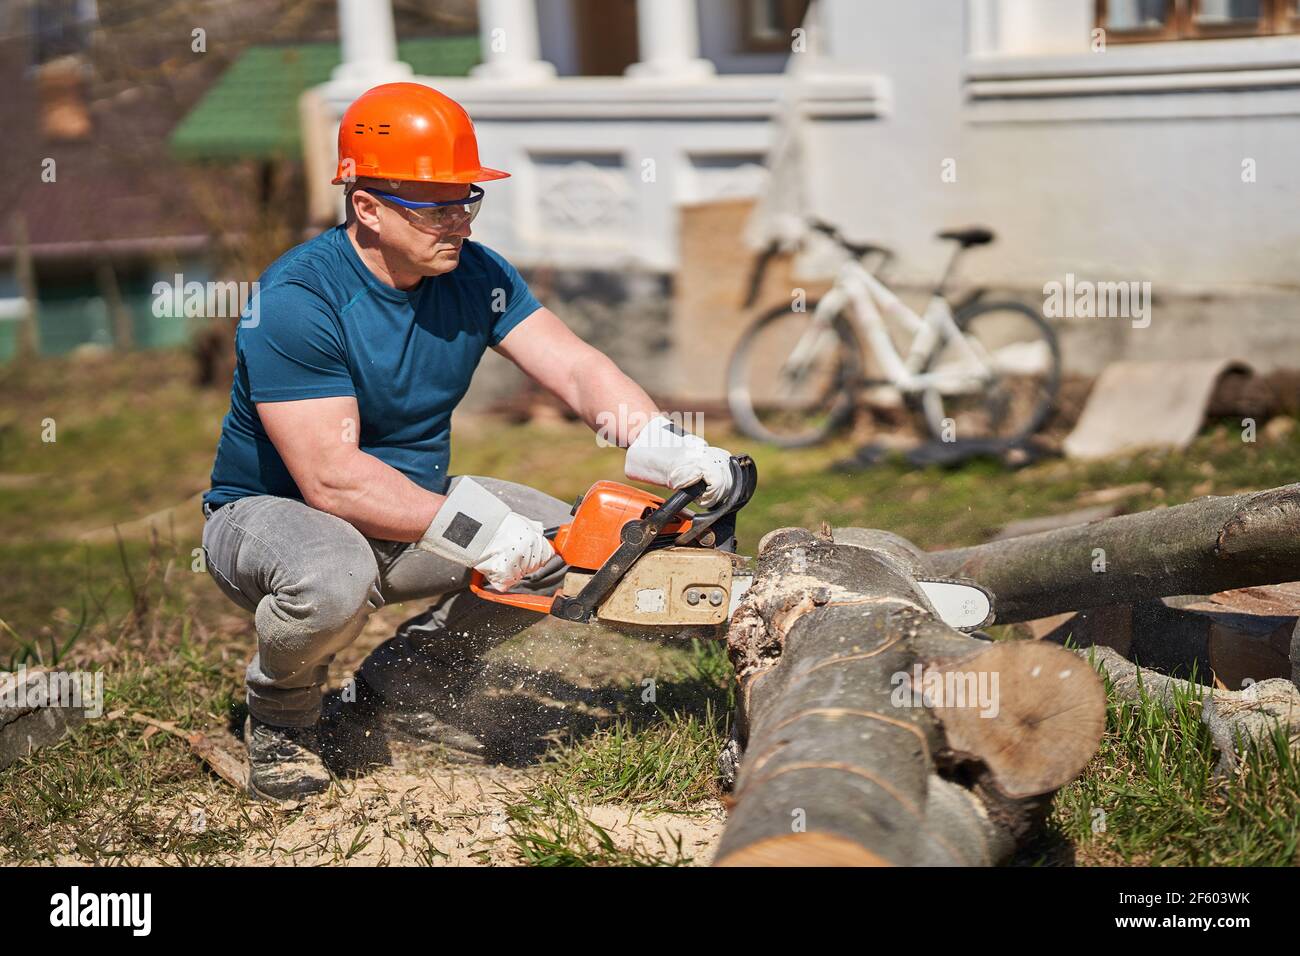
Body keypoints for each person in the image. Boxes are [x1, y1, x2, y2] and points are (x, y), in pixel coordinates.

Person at [199, 82, 737, 801]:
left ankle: (405, 688)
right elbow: (332, 481)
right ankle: (282, 722)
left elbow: (574, 368)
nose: (458, 220)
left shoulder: (476, 275)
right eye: (435, 204)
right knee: (333, 574)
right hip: (273, 516)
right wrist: (478, 532)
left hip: (403, 509)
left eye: (467, 199)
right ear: (366, 205)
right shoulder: (298, 302)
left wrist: (666, 444)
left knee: (559, 541)